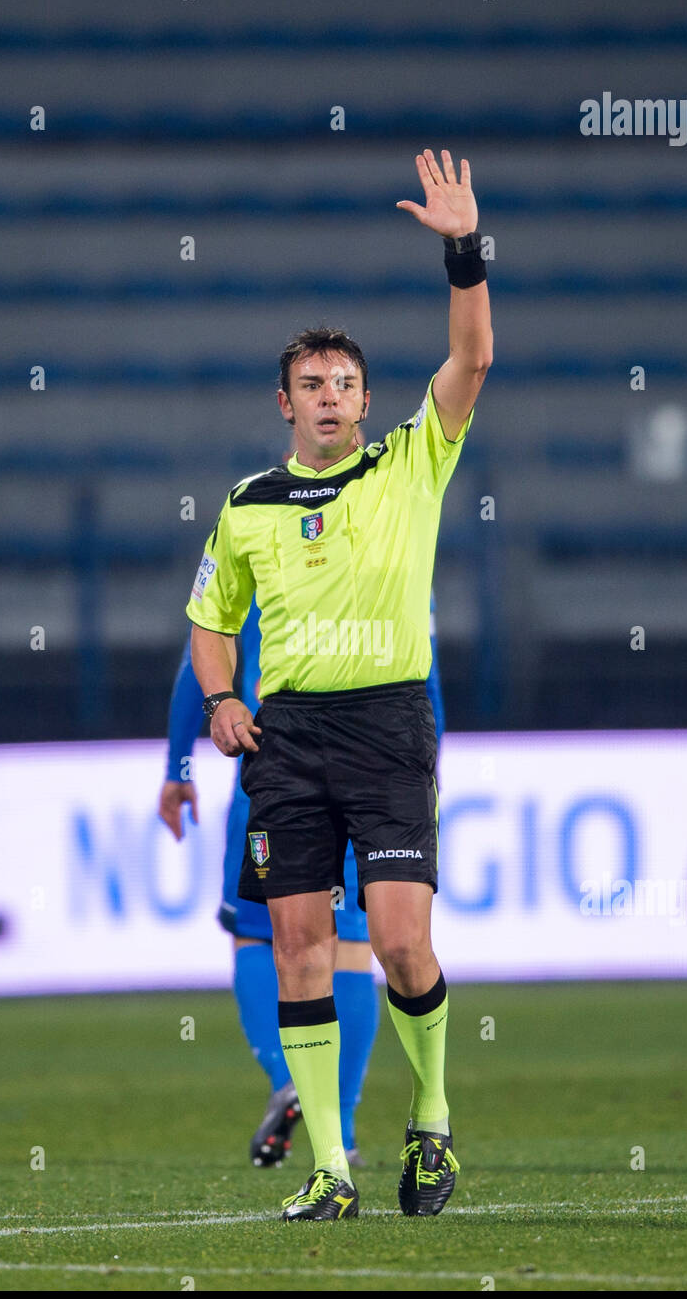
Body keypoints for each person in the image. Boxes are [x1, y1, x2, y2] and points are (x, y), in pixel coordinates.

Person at [186, 148, 492, 1220]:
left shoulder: (414, 460)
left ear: (367, 398)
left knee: (400, 940)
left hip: (389, 723)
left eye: (345, 383)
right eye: (311, 385)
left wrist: (463, 250)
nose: (330, 397)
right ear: (284, 402)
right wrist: (223, 701)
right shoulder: (247, 504)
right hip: (290, 737)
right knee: (299, 941)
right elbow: (207, 621)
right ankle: (331, 1164)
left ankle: (435, 1118)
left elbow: (472, 358)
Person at [158, 595, 445, 1168]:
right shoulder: (387, 542)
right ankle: (345, 1125)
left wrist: (177, 769)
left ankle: (287, 1082)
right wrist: (426, 773)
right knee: (354, 950)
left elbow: (201, 662)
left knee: (265, 939)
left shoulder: (263, 539)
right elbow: (424, 669)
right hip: (375, 768)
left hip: (277, 765)